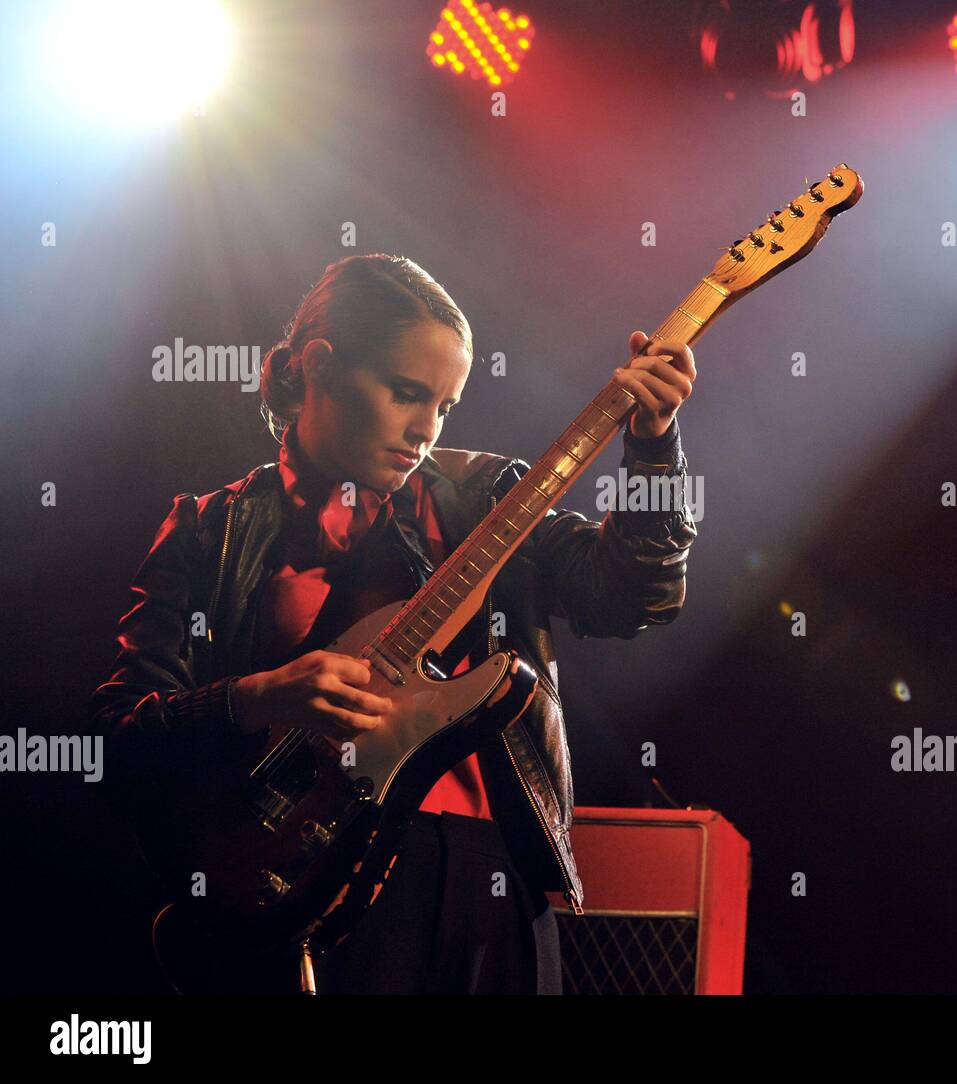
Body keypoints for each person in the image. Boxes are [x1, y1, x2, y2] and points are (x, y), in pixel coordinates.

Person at [88, 253, 698, 994]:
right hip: (316, 881)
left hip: (494, 875)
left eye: (445, 407)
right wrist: (256, 697)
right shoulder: (210, 529)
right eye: (407, 393)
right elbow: (119, 738)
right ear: (319, 365)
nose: (425, 431)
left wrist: (653, 446)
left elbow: (637, 598)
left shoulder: (489, 497)